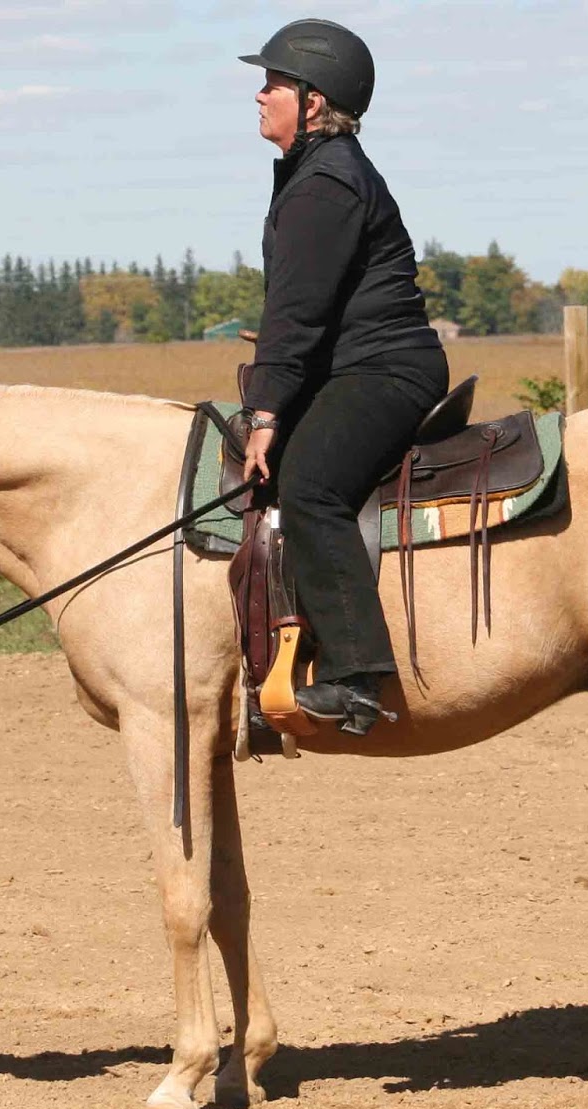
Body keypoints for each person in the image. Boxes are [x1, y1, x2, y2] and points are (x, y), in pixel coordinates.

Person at [238, 18, 448, 735]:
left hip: (383, 371)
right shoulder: (317, 173)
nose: (260, 94)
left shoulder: (323, 185)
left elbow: (296, 314)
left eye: (274, 82)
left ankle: (357, 676)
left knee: (311, 487)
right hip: (359, 362)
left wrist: (265, 412)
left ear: (315, 100)